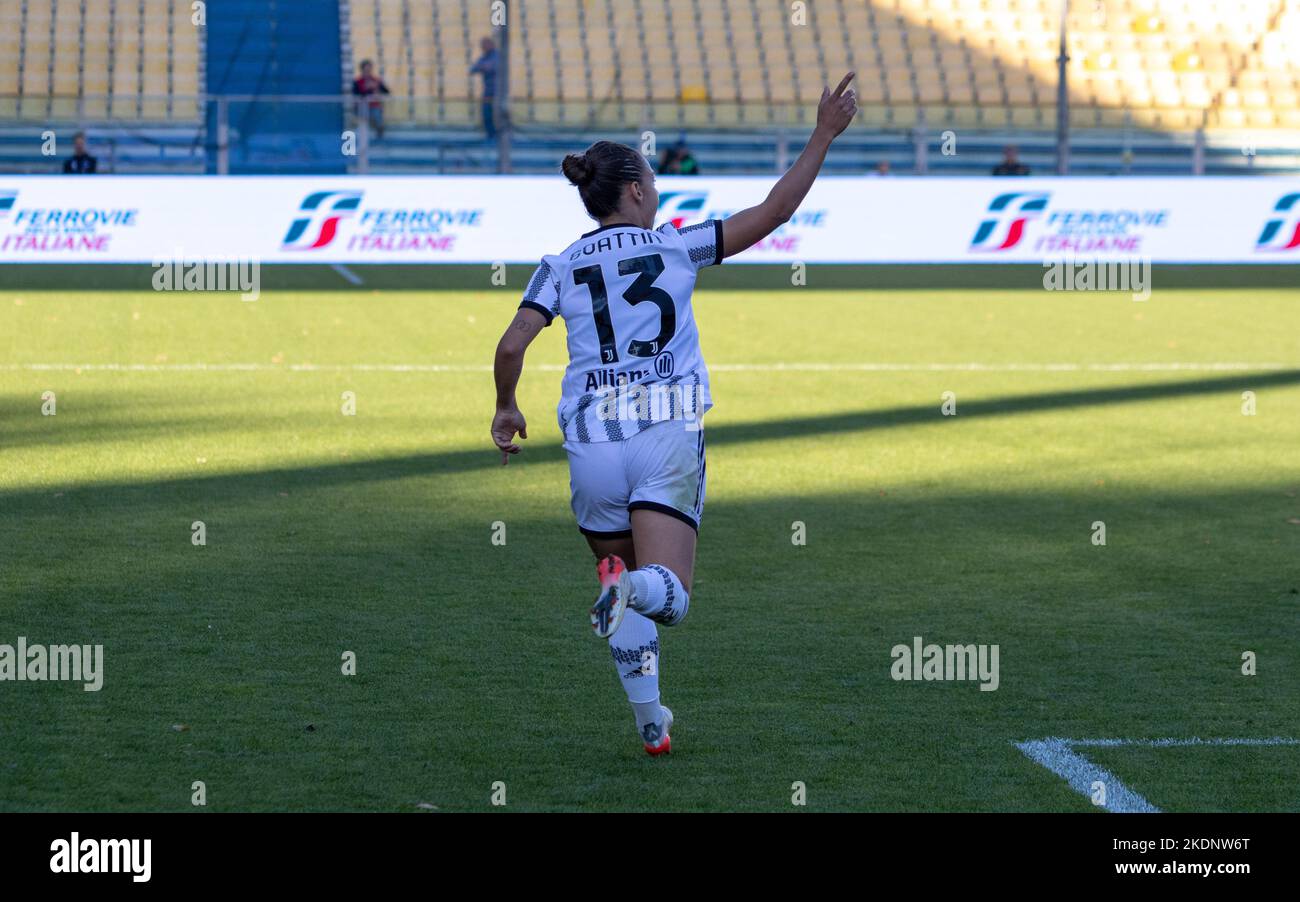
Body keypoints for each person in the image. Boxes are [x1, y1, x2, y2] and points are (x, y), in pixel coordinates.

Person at [490, 73, 858, 756]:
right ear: (633, 191)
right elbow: (776, 210)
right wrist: (824, 132)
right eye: (651, 182)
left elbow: (512, 343)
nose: (655, 190)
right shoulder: (675, 245)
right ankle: (628, 589)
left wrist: (508, 408)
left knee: (621, 587)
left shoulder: (560, 263)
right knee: (668, 595)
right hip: (664, 429)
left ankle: (650, 720)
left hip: (592, 441)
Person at [352, 60, 391, 139]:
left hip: (374, 106)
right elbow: (356, 94)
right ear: (362, 70)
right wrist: (367, 89)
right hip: (362, 106)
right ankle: (362, 135)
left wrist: (377, 90)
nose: (368, 72)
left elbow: (387, 92)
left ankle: (379, 133)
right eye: (366, 70)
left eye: (369, 69)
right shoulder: (357, 81)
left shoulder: (376, 80)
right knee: (363, 117)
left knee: (377, 113)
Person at [470, 37, 499, 141]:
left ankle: (498, 135)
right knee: (487, 114)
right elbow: (472, 69)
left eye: (484, 45)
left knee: (499, 115)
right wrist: (483, 66)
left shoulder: (497, 56)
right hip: (488, 92)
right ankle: (490, 135)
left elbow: (494, 67)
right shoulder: (484, 58)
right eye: (482, 46)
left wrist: (486, 66)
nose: (483, 48)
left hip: (498, 92)